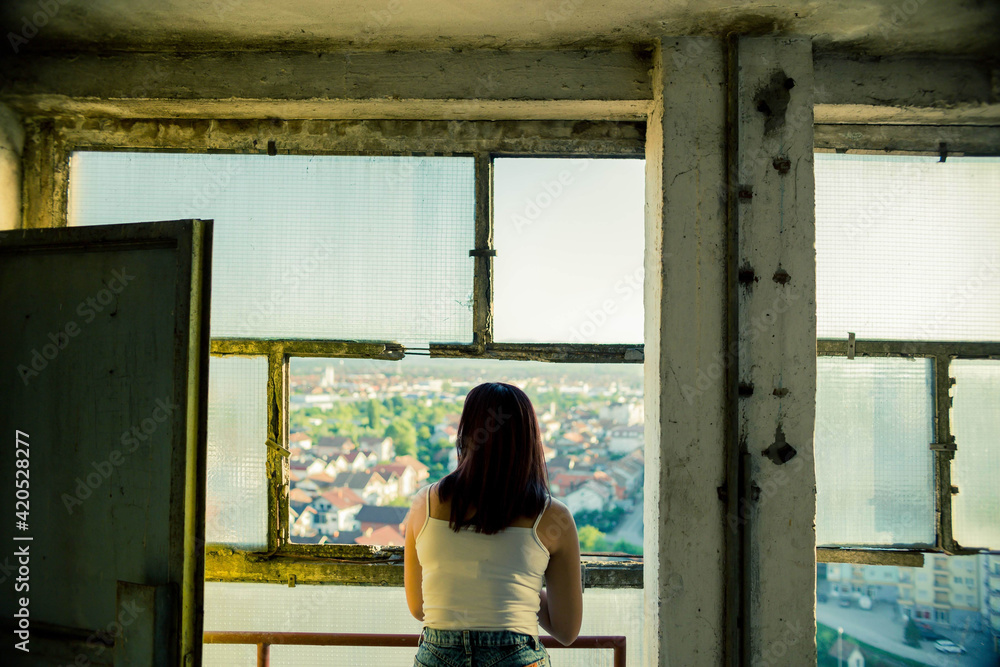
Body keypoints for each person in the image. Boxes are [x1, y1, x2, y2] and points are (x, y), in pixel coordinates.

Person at [404, 382, 583, 667]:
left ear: (465, 434)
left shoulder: (423, 504)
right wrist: (520, 585)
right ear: (529, 440)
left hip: (437, 656)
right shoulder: (553, 516)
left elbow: (419, 607)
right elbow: (566, 630)